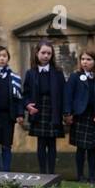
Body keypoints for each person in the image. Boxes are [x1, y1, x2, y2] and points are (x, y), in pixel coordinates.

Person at [22, 40, 64, 174]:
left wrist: (65, 112)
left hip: (53, 109)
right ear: (37, 53)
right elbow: (25, 94)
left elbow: (64, 92)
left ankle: (51, 173)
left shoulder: (58, 72)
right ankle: (42, 173)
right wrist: (27, 105)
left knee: (52, 143)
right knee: (41, 143)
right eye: (43, 53)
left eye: (49, 53)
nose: (46, 56)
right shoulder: (31, 73)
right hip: (38, 110)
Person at [65, 48, 95, 183]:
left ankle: (92, 176)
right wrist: (68, 113)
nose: (85, 62)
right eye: (83, 59)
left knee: (92, 149)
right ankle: (80, 176)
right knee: (81, 148)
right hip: (79, 116)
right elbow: (68, 96)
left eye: (89, 59)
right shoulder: (75, 76)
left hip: (93, 117)